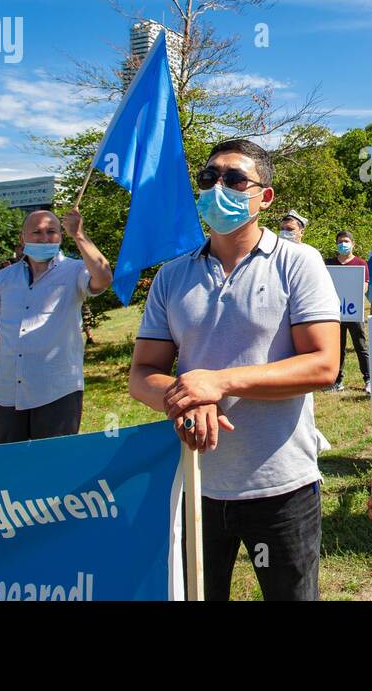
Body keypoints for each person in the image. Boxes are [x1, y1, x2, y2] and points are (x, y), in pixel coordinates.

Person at [129, 139, 340, 601]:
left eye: (234, 179)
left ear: (264, 196)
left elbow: (323, 365)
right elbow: (143, 371)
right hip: (193, 480)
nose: (217, 187)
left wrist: (219, 382)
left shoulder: (298, 262)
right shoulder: (172, 276)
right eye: (209, 179)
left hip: (281, 482)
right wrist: (182, 397)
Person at [0, 209, 112, 443]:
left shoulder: (75, 271)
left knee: (54, 469)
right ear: (23, 239)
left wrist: (80, 235)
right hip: (8, 393)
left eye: (52, 232)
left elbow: (104, 277)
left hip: (57, 391)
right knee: (11, 469)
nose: (45, 238)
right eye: (37, 232)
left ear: (61, 236)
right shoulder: (5, 278)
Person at [325, 230, 369, 393]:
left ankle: (368, 379)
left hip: (353, 312)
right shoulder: (328, 263)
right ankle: (337, 380)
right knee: (338, 347)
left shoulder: (361, 263)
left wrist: (358, 291)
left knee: (361, 346)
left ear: (353, 244)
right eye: (340, 241)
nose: (343, 244)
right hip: (334, 313)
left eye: (346, 241)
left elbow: (364, 286)